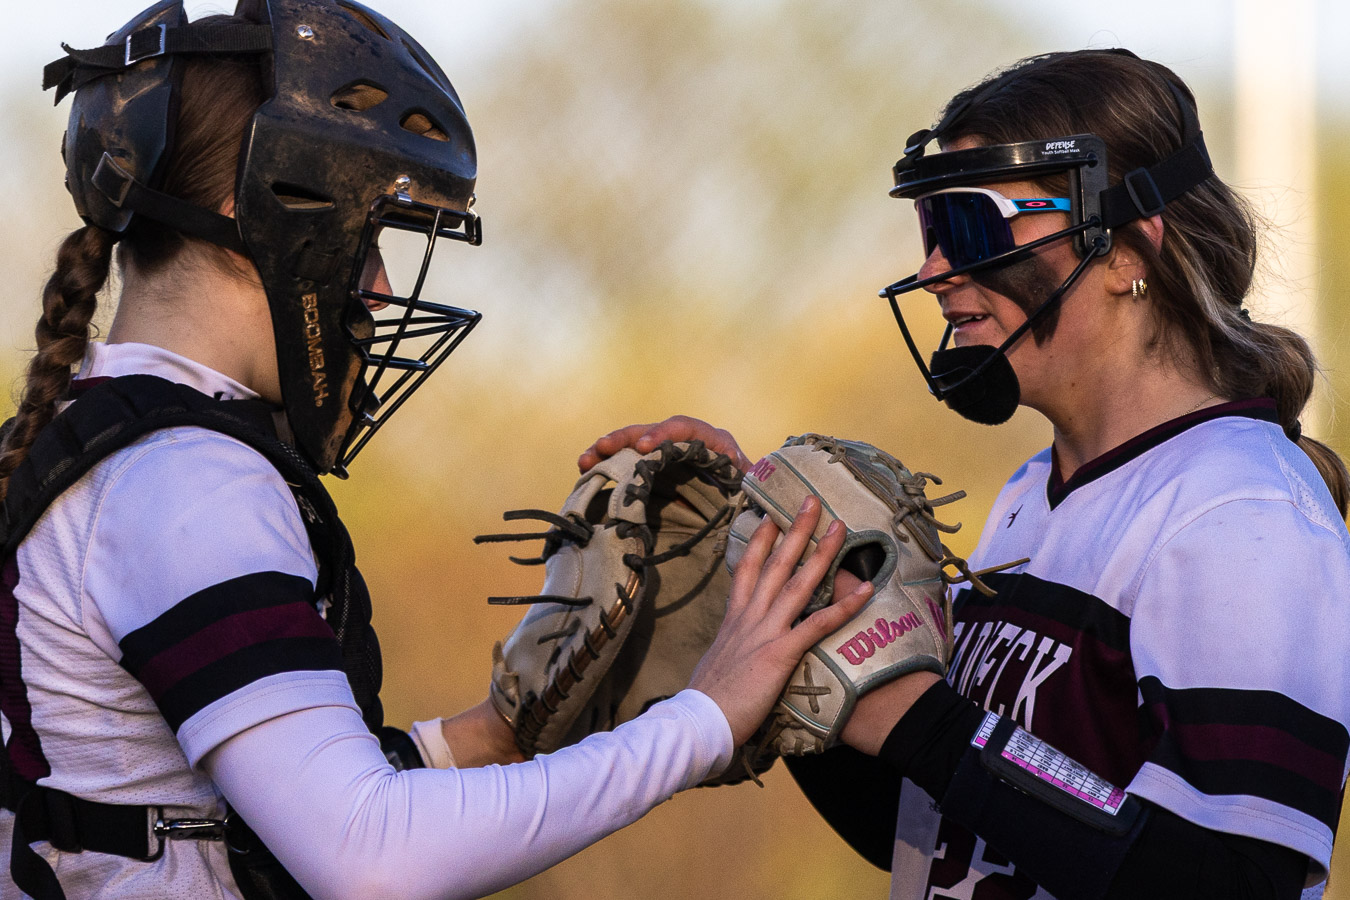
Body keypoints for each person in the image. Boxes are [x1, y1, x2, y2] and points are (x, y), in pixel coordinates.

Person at [0, 2, 875, 898]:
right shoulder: (185, 478)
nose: (379, 288)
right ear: (270, 210)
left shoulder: (91, 437)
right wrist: (707, 718)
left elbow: (239, 801)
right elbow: (372, 856)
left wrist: (490, 733)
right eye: (370, 236)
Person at [581, 50, 1350, 899]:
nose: (937, 271)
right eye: (930, 229)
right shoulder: (1033, 492)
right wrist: (792, 649)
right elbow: (933, 837)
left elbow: (1239, 881)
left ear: (1130, 247)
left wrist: (920, 721)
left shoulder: (1240, 512)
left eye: (971, 224)